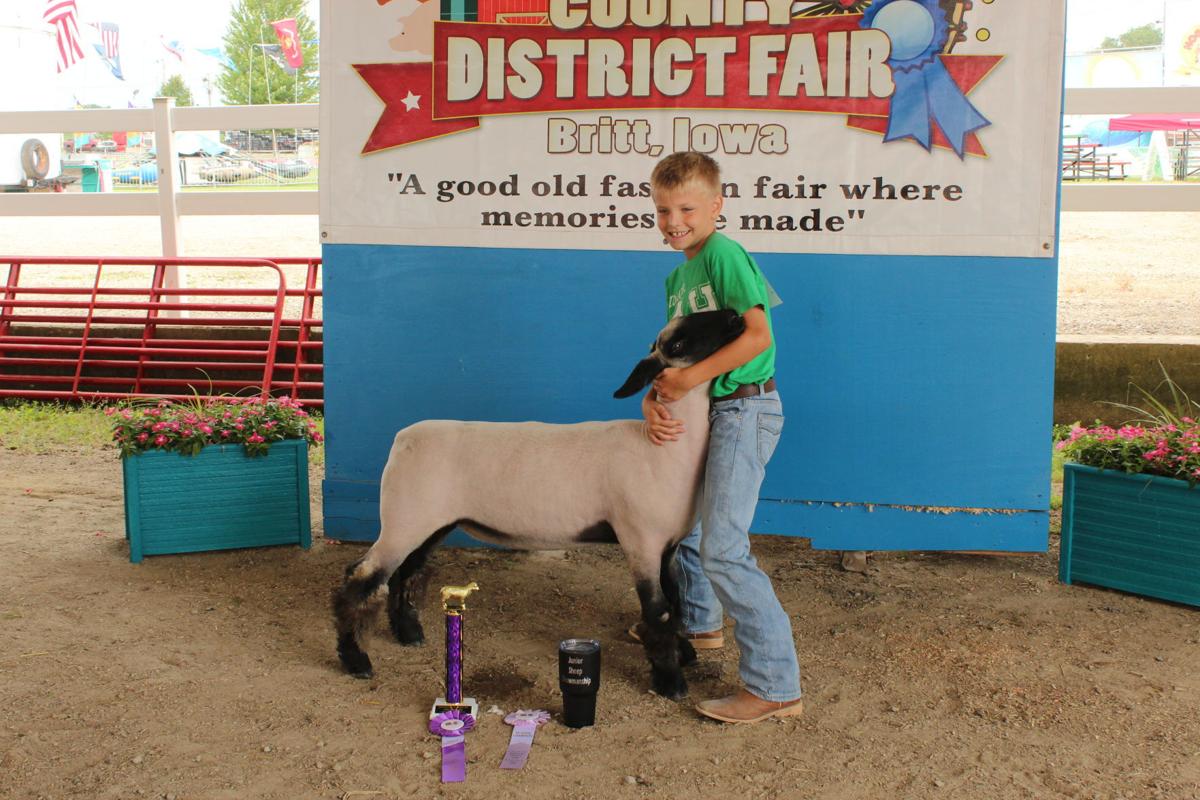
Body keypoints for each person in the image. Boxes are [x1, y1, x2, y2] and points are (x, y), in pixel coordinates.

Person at [636, 151, 802, 724]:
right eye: (663, 210)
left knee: (723, 548)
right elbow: (672, 357)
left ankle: (775, 686)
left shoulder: (723, 254)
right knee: (689, 529)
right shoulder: (678, 277)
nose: (674, 221)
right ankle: (700, 625)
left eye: (687, 208)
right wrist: (655, 397)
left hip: (745, 408)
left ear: (716, 206)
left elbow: (756, 337)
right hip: (710, 409)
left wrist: (686, 381)